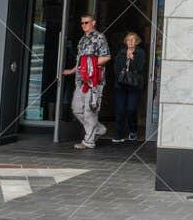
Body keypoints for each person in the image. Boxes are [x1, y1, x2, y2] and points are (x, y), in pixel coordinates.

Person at [59, 13, 110, 149]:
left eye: (86, 22)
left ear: (93, 23)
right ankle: (98, 129)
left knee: (89, 111)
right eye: (82, 23)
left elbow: (106, 57)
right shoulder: (82, 39)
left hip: (94, 81)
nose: (84, 25)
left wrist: (89, 65)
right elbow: (81, 60)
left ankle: (89, 141)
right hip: (80, 81)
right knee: (76, 109)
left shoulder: (99, 37)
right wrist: (72, 70)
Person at [111, 31, 147, 143]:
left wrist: (132, 59)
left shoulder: (140, 53)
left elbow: (140, 68)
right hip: (121, 85)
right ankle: (119, 134)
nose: (130, 42)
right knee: (120, 110)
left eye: (133, 40)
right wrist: (121, 76)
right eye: (128, 40)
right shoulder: (121, 52)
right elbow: (116, 67)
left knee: (131, 109)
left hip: (134, 85)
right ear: (125, 41)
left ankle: (133, 130)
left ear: (136, 42)